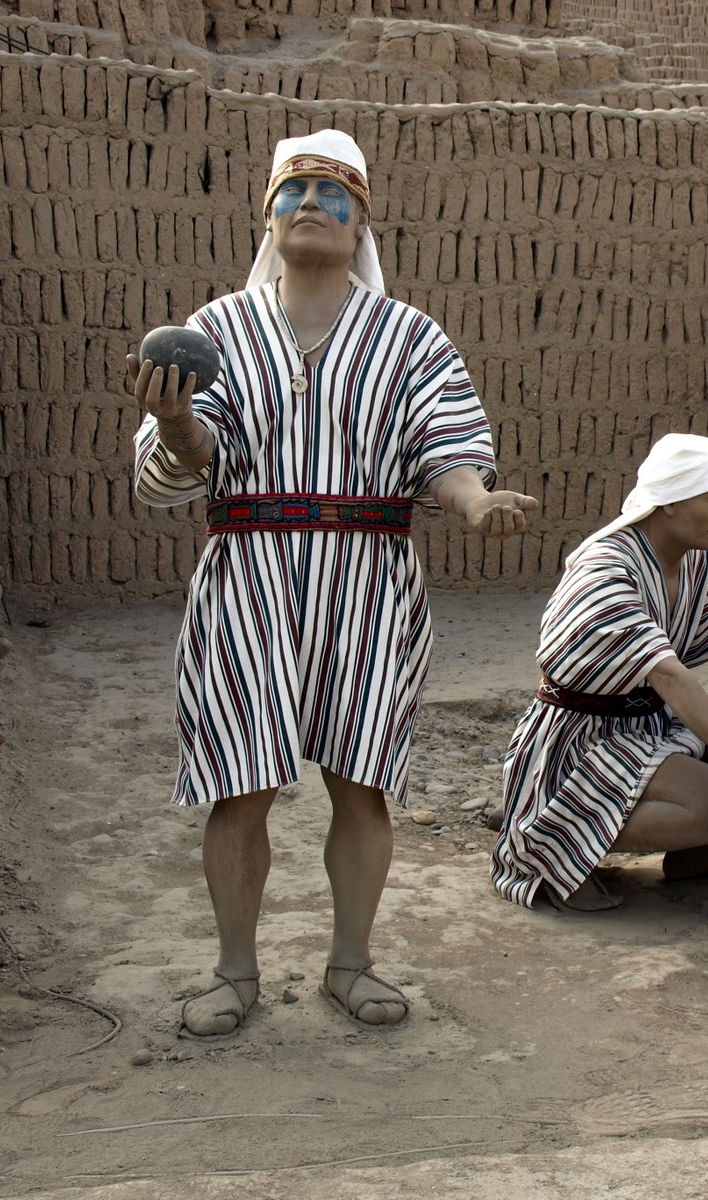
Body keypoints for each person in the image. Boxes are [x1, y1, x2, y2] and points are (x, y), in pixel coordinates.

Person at [129, 130, 538, 1035]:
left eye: (331, 191)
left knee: (361, 782)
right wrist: (177, 424)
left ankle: (351, 963)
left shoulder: (407, 337)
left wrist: (473, 505)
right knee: (240, 781)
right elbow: (181, 470)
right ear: (267, 215)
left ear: (363, 220)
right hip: (249, 580)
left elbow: (446, 445)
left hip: (369, 581)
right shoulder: (216, 332)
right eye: (293, 190)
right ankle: (235, 971)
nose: (310, 203)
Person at [491, 433, 708, 912]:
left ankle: (696, 858)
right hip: (582, 741)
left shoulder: (691, 561)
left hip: (645, 724)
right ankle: (552, 845)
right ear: (671, 503)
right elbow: (670, 677)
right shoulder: (606, 569)